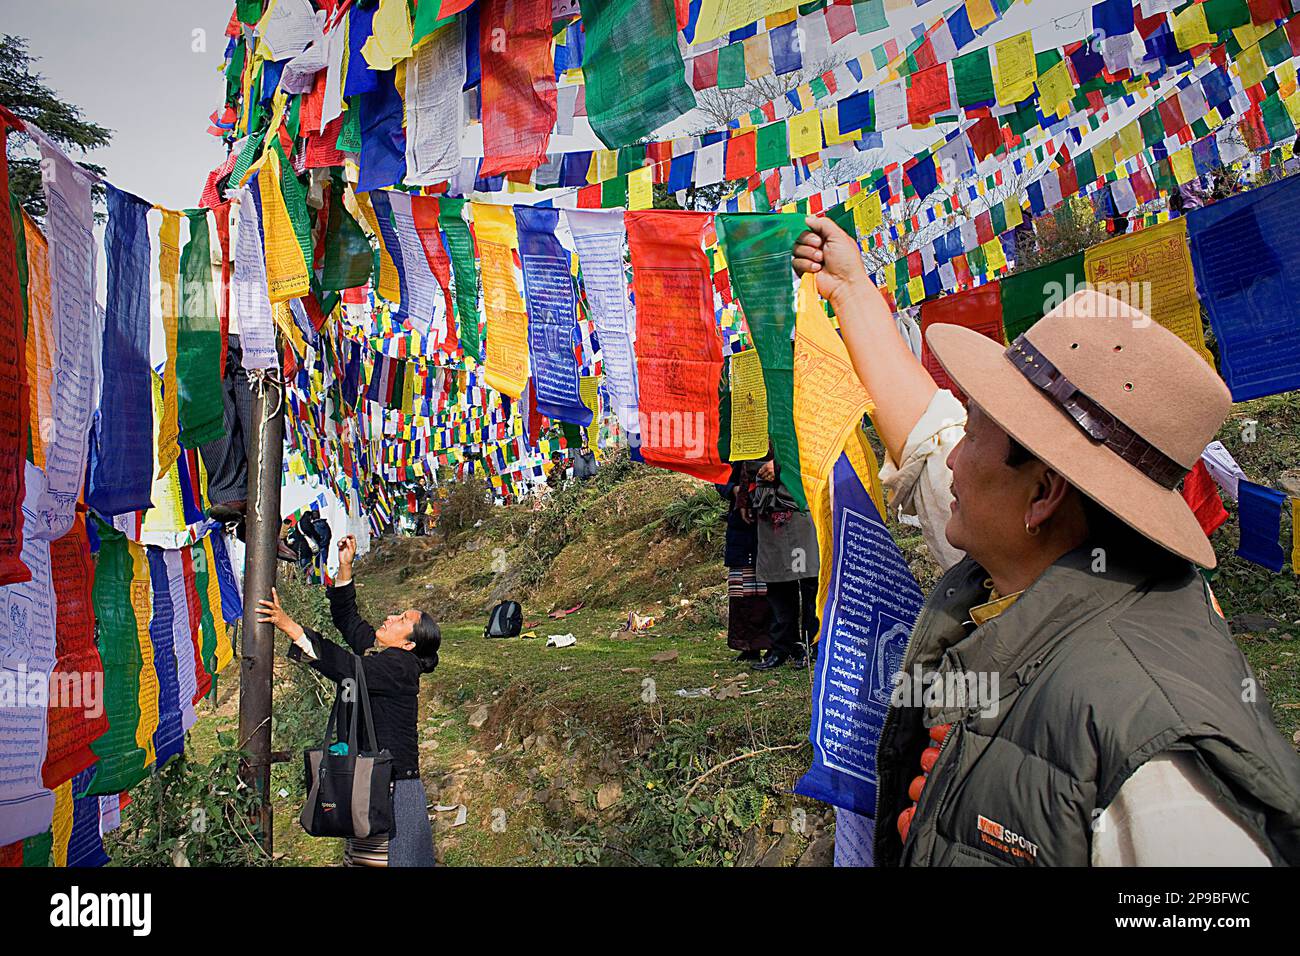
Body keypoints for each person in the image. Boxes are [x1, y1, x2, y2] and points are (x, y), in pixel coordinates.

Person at [792, 214, 1300, 866]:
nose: (955, 456)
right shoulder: (1043, 569)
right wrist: (850, 288)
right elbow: (926, 429)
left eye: (976, 431)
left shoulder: (1158, 769)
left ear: (1043, 494)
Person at [257, 534, 442, 867]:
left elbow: (346, 668)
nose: (390, 618)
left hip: (393, 788)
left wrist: (290, 627)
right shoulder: (381, 653)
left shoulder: (400, 666)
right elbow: (348, 620)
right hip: (370, 783)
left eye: (401, 620)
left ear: (410, 644)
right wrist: (345, 566)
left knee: (395, 859)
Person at [752, 450, 819, 671]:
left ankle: (814, 647)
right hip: (768, 509)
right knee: (777, 584)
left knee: (810, 583)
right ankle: (783, 648)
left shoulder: (807, 418)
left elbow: (817, 451)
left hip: (802, 505)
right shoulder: (755, 422)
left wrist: (779, 466)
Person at [717, 460, 771, 663]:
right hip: (740, 525)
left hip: (770, 515)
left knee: (771, 587)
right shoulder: (732, 447)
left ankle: (774, 644)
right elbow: (719, 477)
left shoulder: (776, 444)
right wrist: (735, 490)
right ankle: (748, 646)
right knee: (742, 587)